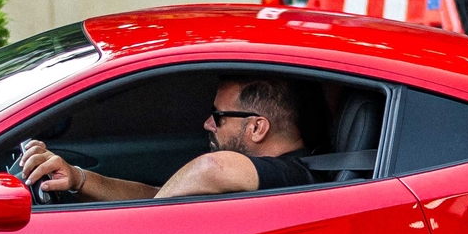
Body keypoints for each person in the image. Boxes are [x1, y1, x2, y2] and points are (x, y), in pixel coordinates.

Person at [18, 75, 311, 201]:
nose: (208, 123)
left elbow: (212, 169)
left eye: (218, 116)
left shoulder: (292, 177)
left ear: (258, 128)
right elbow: (155, 195)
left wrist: (150, 220)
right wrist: (77, 178)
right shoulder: (260, 178)